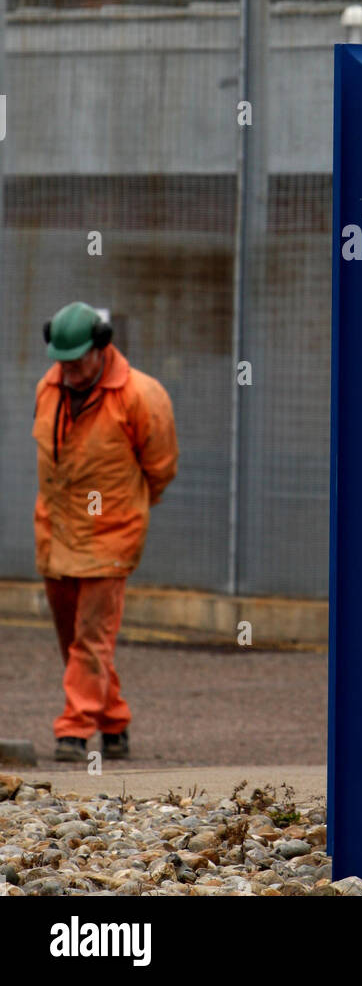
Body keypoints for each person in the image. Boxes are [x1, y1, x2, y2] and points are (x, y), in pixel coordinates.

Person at [32, 301, 178, 763]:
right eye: (62, 362)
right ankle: (114, 723)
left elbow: (160, 466)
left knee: (91, 637)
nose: (69, 371)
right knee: (73, 640)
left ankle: (73, 731)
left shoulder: (140, 395)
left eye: (77, 362)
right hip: (56, 535)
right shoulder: (49, 388)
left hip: (110, 535)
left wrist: (131, 510)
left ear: (100, 346)